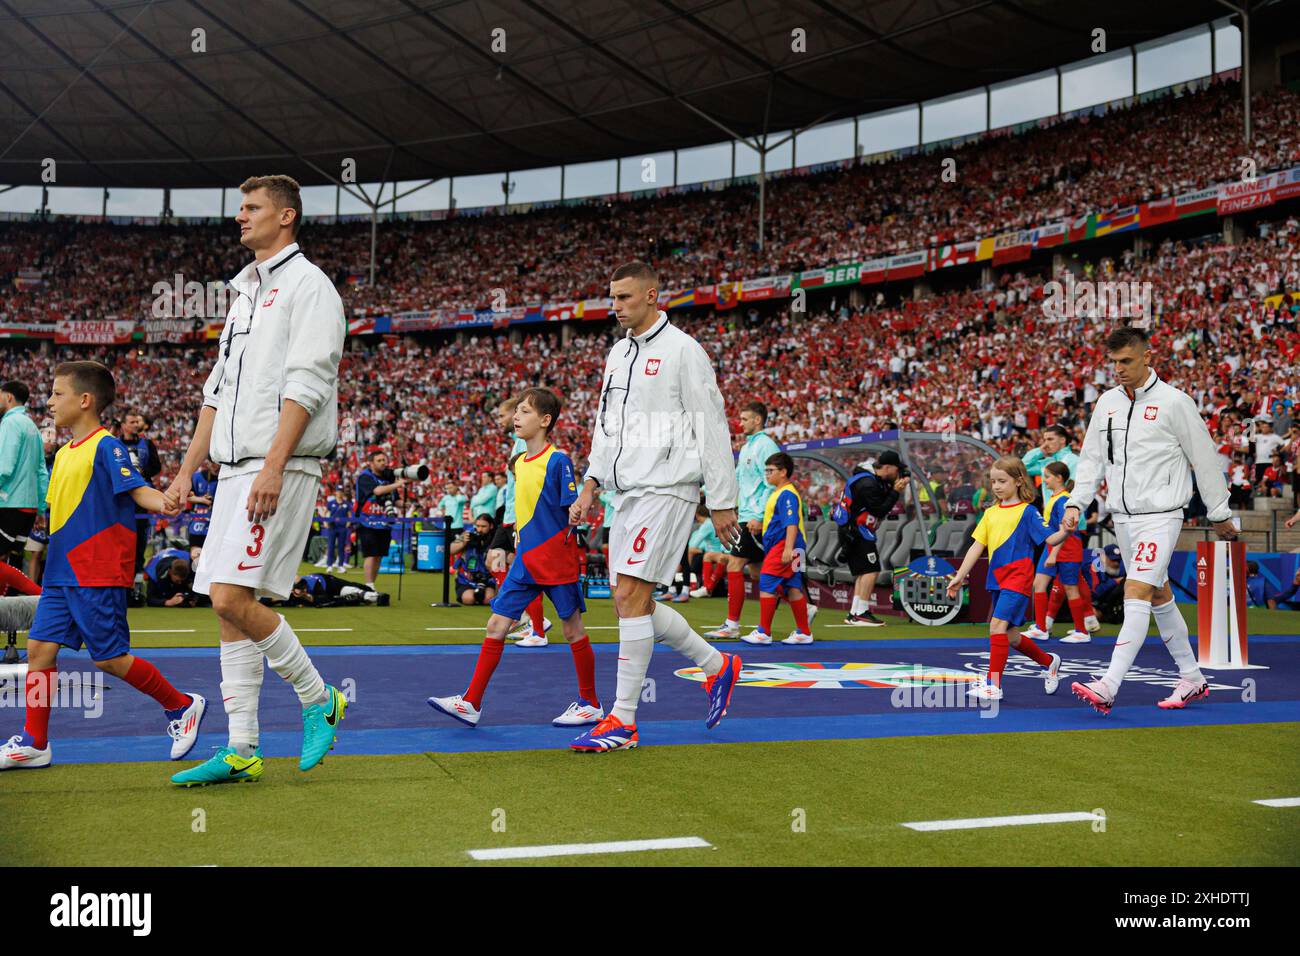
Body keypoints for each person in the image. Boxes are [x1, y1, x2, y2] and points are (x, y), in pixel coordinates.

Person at [164, 174, 349, 787]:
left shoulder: (310, 286)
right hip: (235, 469)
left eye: (252, 208)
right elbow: (214, 393)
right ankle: (242, 746)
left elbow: (308, 381)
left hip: (278, 466)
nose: (240, 217)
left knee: (231, 598)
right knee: (224, 605)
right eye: (239, 208)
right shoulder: (243, 297)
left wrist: (273, 464)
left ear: (287, 216)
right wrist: (189, 469)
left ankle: (319, 697)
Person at [568, 261, 742, 752]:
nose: (615, 306)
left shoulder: (684, 351)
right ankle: (718, 665)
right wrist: (590, 484)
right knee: (632, 599)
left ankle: (622, 720)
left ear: (651, 295)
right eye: (612, 297)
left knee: (629, 597)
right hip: (627, 492)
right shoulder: (617, 355)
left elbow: (711, 424)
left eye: (624, 297)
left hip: (669, 487)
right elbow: (606, 427)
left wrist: (723, 500)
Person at [0, 362, 205, 771]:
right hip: (61, 574)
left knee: (109, 658)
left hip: (96, 572)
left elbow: (137, 490)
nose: (50, 402)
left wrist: (166, 500)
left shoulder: (107, 446)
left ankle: (181, 705)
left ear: (85, 400)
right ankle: (35, 742)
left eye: (58, 394)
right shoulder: (61, 453)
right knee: (39, 652)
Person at [1061, 326, 1236, 714]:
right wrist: (1076, 502)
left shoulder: (1176, 402)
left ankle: (1108, 685)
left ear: (1147, 357)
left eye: (1126, 361)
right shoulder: (1106, 403)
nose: (1119, 369)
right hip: (1122, 518)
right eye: (1114, 362)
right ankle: (1192, 676)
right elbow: (1091, 459)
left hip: (1161, 515)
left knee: (1136, 591)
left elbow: (1204, 459)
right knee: (1159, 595)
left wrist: (1219, 511)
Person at [427, 388, 602, 729]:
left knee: (572, 630)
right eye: (517, 411)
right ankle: (470, 702)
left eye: (524, 411)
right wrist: (509, 539)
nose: (516, 418)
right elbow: (521, 510)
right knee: (496, 625)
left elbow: (571, 506)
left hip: (555, 558)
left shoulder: (558, 460)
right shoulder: (520, 463)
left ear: (545, 420)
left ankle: (591, 703)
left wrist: (578, 510)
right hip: (525, 561)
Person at [945, 456, 1068, 701]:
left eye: (1002, 481)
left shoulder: (1028, 511)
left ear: (1019, 481)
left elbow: (1050, 538)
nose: (997, 486)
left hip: (1019, 579)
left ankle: (994, 685)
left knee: (996, 627)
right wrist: (959, 576)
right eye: (993, 481)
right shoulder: (990, 513)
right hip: (997, 580)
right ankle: (1050, 662)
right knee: (1010, 636)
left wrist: (1065, 530)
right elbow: (975, 547)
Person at [705, 401, 780, 639]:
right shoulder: (748, 447)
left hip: (756, 518)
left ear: (757, 420)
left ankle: (731, 625)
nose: (741, 423)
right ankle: (804, 608)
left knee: (734, 564)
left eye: (745, 419)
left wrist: (759, 515)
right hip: (746, 516)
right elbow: (738, 480)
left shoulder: (766, 446)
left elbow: (772, 481)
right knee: (758, 573)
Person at [743, 453, 815, 645]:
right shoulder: (779, 492)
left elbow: (791, 523)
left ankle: (763, 632)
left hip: (785, 545)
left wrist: (787, 549)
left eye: (770, 470)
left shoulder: (787, 494)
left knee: (766, 579)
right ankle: (804, 632)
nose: (767, 474)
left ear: (783, 472)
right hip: (790, 545)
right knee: (792, 586)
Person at [1022, 461, 1093, 643]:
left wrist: (1054, 554)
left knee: (1070, 588)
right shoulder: (1057, 498)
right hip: (1053, 547)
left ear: (1059, 478)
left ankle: (1081, 631)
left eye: (1047, 476)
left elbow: (1066, 529)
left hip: (1067, 549)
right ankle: (1040, 628)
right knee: (1039, 584)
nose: (1044, 480)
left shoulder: (1064, 500)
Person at [838, 451, 908, 626]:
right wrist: (895, 492)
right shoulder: (868, 483)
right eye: (896, 470)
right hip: (856, 530)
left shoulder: (869, 478)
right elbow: (879, 510)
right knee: (871, 570)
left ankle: (854, 612)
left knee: (864, 570)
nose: (897, 474)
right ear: (887, 467)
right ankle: (861, 612)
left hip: (852, 530)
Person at [0, 380, 49, 570]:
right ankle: (29, 597)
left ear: (8, 397)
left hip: (9, 502)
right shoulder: (32, 426)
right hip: (27, 508)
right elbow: (41, 472)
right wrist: (40, 510)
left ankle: (39, 597)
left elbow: (3, 467)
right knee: (11, 563)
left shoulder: (10, 423)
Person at [120, 410, 162, 600]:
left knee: (139, 546)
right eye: (132, 421)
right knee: (120, 545)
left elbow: (156, 467)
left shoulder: (147, 444)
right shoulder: (114, 444)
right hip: (121, 499)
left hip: (141, 499)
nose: (136, 424)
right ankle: (121, 587)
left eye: (137, 421)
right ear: (123, 425)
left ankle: (136, 589)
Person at [355, 450, 406, 587]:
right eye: (379, 460)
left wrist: (406, 504)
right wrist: (398, 484)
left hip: (384, 523)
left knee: (379, 555)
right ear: (371, 463)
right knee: (371, 554)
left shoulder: (389, 479)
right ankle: (369, 584)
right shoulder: (365, 477)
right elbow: (377, 491)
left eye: (384, 460)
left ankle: (372, 584)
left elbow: (396, 500)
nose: (383, 463)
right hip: (367, 522)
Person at [451, 513, 498, 605]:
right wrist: (464, 543)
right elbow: (450, 550)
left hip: (488, 578)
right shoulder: (468, 534)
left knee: (488, 599)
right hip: (467, 578)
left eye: (483, 526)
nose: (480, 529)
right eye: (478, 526)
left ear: (491, 526)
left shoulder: (496, 537)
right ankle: (474, 594)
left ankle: (482, 593)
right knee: (468, 599)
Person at [281, 573, 386, 608]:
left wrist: (306, 597)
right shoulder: (288, 593)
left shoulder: (314, 585)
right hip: (328, 588)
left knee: (355, 587)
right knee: (351, 592)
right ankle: (368, 596)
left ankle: (373, 594)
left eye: (301, 586)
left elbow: (325, 600)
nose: (301, 589)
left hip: (331, 583)